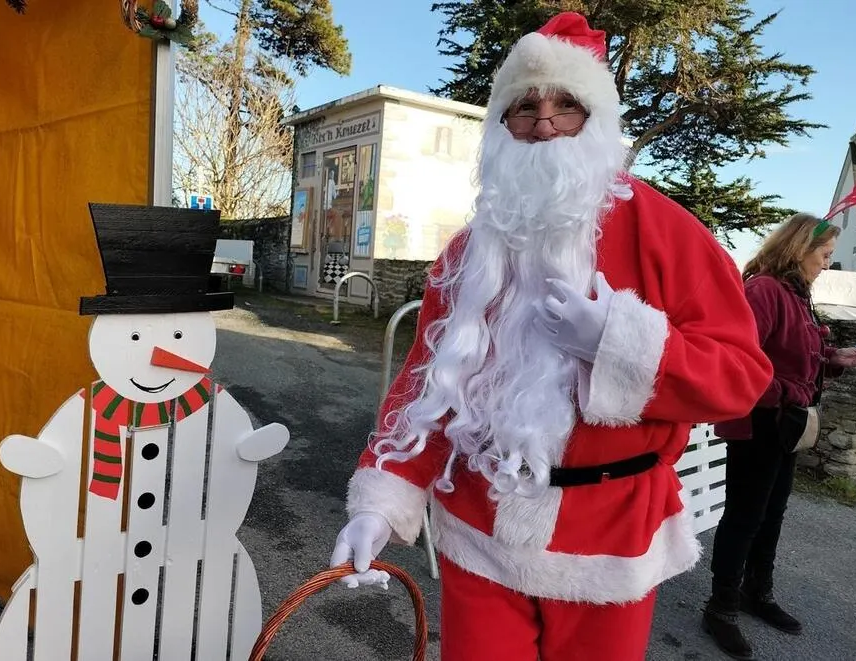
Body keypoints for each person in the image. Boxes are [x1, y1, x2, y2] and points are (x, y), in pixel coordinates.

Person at [329, 12, 773, 661]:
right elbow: (425, 386)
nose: (543, 122)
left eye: (566, 105)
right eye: (523, 107)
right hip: (480, 534)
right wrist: (380, 500)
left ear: (596, 121)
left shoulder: (667, 232)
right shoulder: (468, 253)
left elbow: (741, 376)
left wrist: (620, 343)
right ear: (499, 127)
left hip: (610, 543)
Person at [704, 213, 856, 659]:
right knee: (746, 515)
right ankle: (721, 607)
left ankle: (758, 592)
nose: (828, 263)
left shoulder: (797, 294)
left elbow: (799, 354)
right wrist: (788, 394)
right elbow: (740, 360)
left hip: (786, 422)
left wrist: (836, 357)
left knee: (771, 514)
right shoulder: (765, 291)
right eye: (825, 254)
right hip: (762, 422)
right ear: (799, 249)